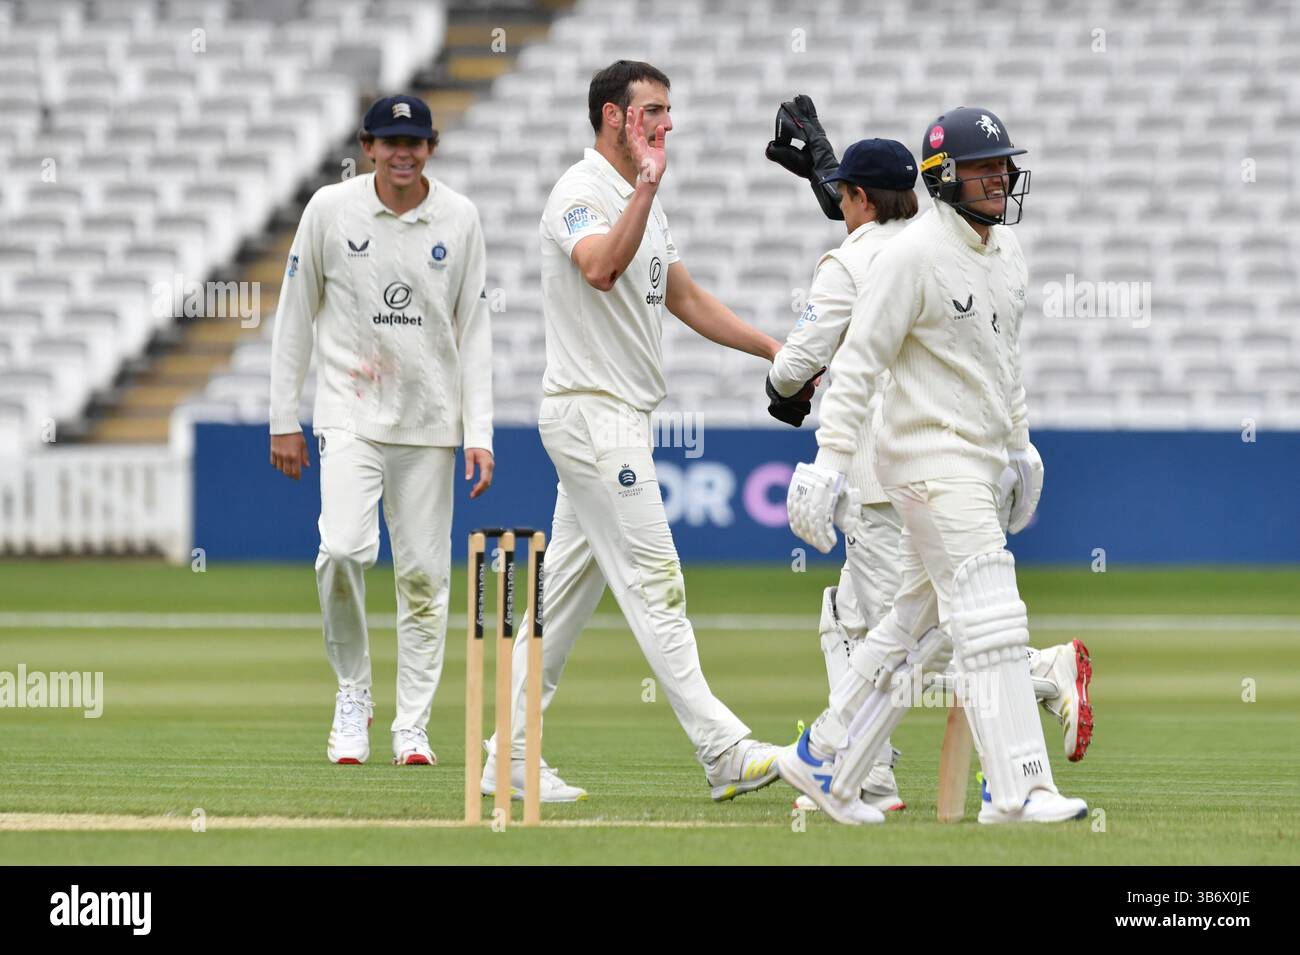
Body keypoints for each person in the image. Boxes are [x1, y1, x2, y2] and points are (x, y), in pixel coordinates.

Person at [764, 104, 1092, 817]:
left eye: (1002, 166)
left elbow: (1005, 366)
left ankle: (824, 760)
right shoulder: (911, 255)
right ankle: (1020, 787)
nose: (998, 179)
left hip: (974, 459)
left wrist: (1019, 444)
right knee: (989, 606)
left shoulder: (1008, 256)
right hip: (923, 461)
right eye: (980, 169)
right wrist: (826, 462)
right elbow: (855, 366)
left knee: (916, 629)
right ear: (942, 178)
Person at [481, 60, 784, 804]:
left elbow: (682, 296)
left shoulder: (638, 197)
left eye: (669, 110)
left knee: (563, 600)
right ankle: (721, 749)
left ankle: (507, 759)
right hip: (593, 415)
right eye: (652, 109)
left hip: (619, 418)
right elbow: (599, 269)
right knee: (657, 581)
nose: (666, 123)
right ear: (613, 117)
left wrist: (775, 351)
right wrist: (646, 187)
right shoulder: (580, 192)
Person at [269, 95, 494, 767]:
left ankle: (412, 726)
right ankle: (352, 695)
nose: (403, 152)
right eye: (391, 140)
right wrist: (285, 417)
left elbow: (476, 329)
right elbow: (294, 315)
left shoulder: (460, 218)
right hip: (350, 411)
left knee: (425, 579)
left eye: (415, 141)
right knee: (340, 550)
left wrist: (479, 430)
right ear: (367, 146)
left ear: (431, 147)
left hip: (429, 421)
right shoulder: (329, 211)